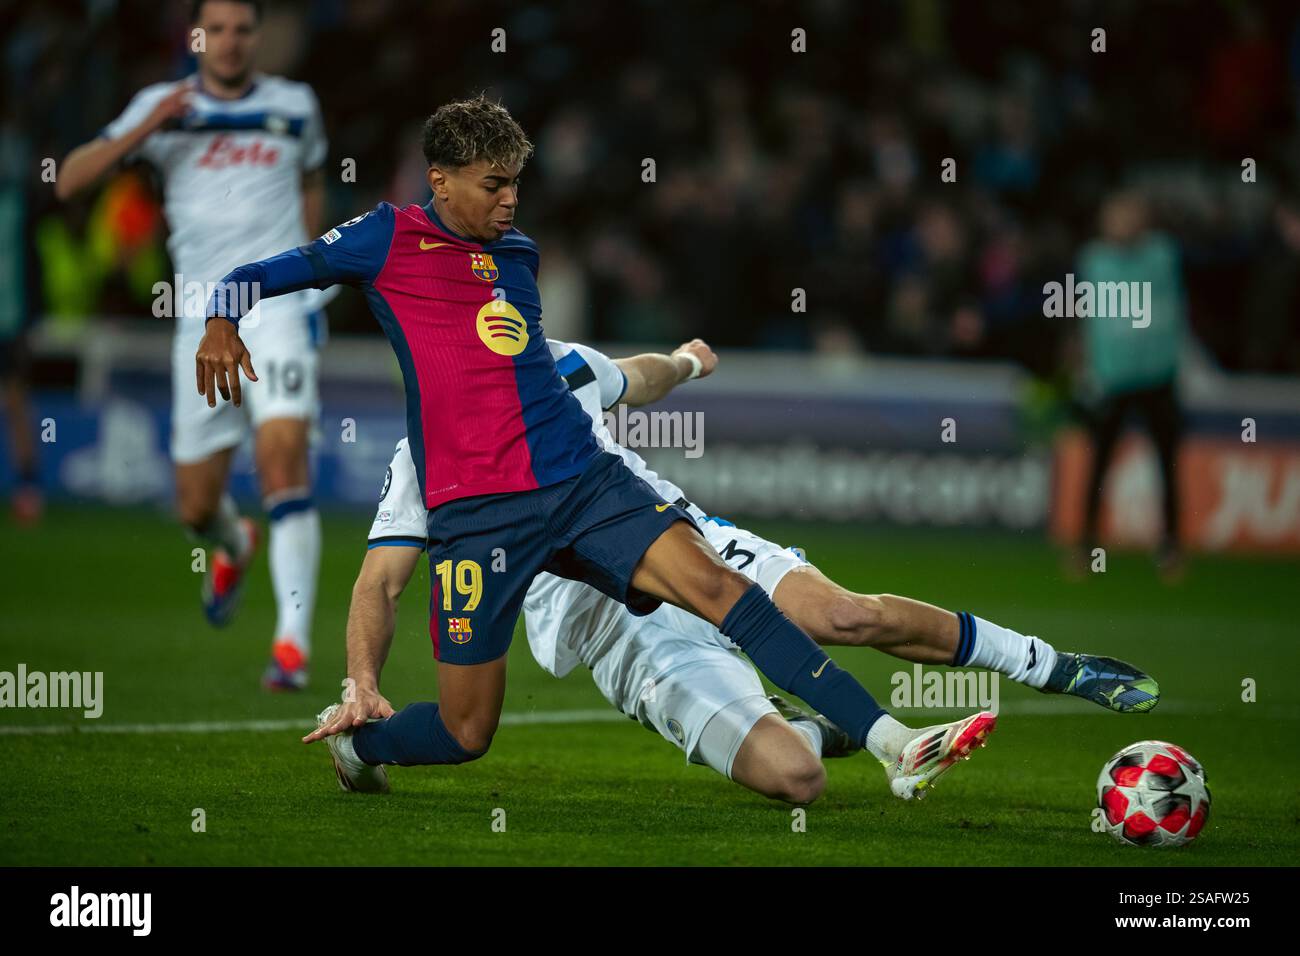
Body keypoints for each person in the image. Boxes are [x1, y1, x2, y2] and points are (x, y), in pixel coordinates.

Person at [197, 93, 985, 786]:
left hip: (579, 480)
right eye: (493, 185)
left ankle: (891, 741)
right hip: (478, 514)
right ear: (439, 180)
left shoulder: (518, 256)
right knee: (466, 732)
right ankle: (362, 751)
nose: (511, 202)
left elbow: (564, 374)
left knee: (719, 589)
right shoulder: (386, 237)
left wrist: (676, 365)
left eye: (516, 184)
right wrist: (221, 320)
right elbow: (267, 271)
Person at [315, 336, 1160, 801]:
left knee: (845, 617)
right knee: (798, 781)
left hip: (679, 540)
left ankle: (1050, 664)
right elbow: (378, 583)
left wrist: (684, 364)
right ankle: (813, 726)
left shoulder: (546, 367)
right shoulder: (428, 463)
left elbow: (629, 378)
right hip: (612, 629)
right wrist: (362, 681)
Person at [55, 0, 329, 688]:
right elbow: (69, 180)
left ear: (258, 37)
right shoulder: (161, 106)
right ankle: (235, 542)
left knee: (283, 460)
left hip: (275, 309)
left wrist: (311, 272)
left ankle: (290, 647)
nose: (232, 44)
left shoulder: (295, 105)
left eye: (244, 30)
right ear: (195, 38)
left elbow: (313, 180)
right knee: (195, 507)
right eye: (219, 31)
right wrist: (144, 128)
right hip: (198, 319)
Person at [1076, 191, 1187, 579]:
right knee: (1099, 463)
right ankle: (1086, 545)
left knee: (1167, 464)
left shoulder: (1161, 254)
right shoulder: (1094, 258)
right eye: (1114, 216)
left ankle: (1171, 546)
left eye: (1128, 216)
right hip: (1113, 379)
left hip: (1158, 377)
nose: (1120, 224)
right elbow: (1090, 321)